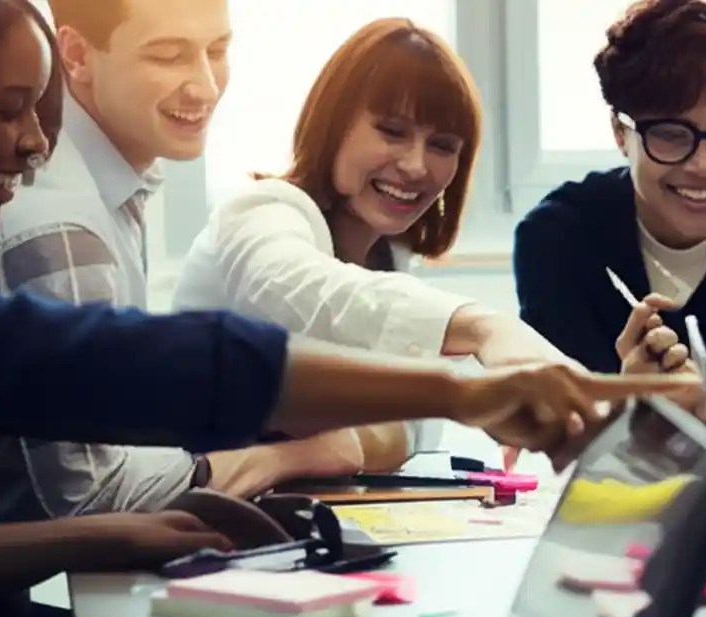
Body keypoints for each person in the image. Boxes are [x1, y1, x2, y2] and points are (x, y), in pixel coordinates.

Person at [0, 4, 695, 617]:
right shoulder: (230, 215)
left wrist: (424, 405)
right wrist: (468, 355)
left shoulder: (120, 203)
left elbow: (121, 365)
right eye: (11, 109)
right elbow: (229, 336)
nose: (37, 144)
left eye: (216, 50)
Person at [0, 0, 375, 523]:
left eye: (217, 50)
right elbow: (96, 493)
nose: (204, 86)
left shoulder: (107, 179)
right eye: (167, 56)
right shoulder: (59, 224)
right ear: (76, 55)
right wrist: (291, 458)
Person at [174, 18, 571, 394]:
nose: (416, 166)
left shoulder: (389, 255)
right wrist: (483, 326)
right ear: (333, 124)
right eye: (393, 132)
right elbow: (299, 289)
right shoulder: (261, 211)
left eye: (442, 146)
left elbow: (405, 425)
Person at [513, 0, 706, 402]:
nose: (704, 165)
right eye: (672, 134)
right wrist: (629, 401)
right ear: (621, 134)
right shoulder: (558, 240)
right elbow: (563, 425)